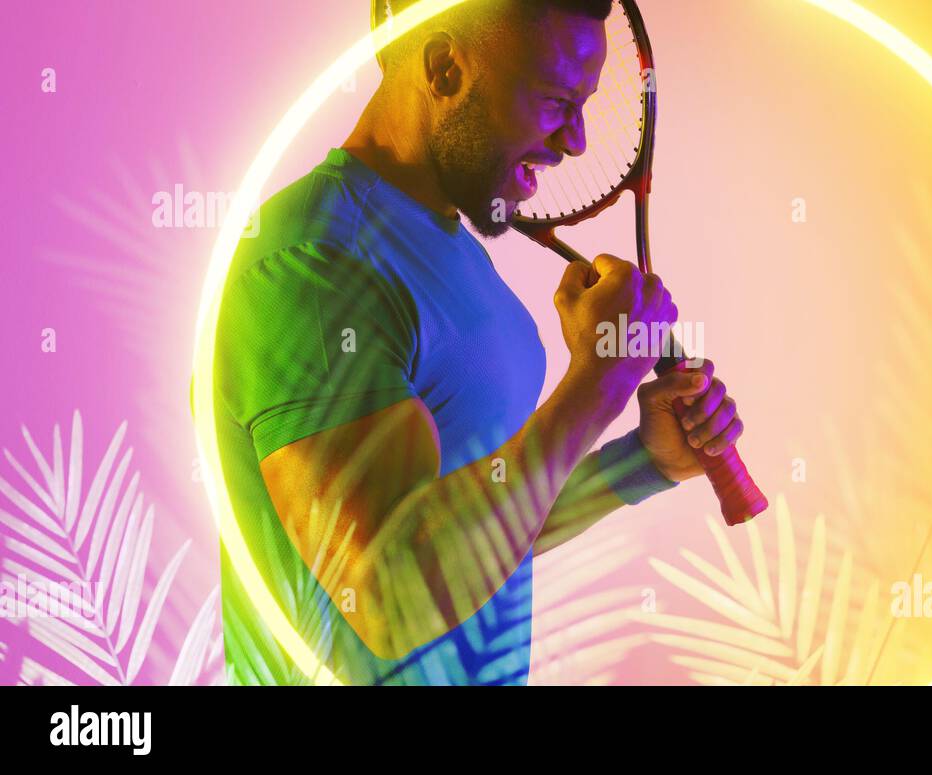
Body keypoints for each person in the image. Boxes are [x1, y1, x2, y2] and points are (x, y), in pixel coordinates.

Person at [214, 0, 748, 685]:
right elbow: (389, 597)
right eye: (556, 100)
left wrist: (644, 462)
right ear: (443, 68)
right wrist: (599, 384)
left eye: (584, 105)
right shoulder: (314, 265)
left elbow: (480, 532)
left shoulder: (456, 255)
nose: (577, 140)